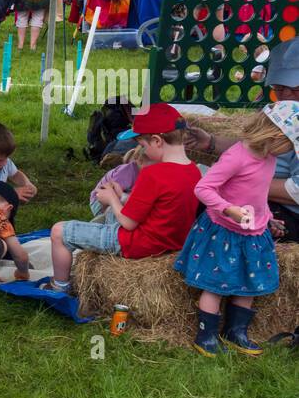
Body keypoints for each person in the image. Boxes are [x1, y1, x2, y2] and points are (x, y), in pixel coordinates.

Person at [174, 104, 299, 356]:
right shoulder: (237, 156)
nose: (289, 152)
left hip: (253, 231)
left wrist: (266, 218)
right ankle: (206, 336)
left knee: (250, 283)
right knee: (215, 285)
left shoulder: (270, 158)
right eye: (290, 145)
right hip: (224, 230)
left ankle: (236, 332)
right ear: (276, 137)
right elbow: (203, 188)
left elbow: (258, 193)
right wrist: (228, 208)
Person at [47, 103, 201, 293]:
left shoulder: (153, 173)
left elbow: (128, 223)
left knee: (59, 232)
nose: (142, 152)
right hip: (170, 243)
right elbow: (161, 206)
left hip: (139, 244)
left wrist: (112, 198)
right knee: (111, 214)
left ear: (157, 141)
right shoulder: (193, 170)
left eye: (142, 145)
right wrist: (122, 197)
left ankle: (59, 286)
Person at [185, 39, 299, 243]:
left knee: (213, 208)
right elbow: (255, 144)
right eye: (280, 89)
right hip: (262, 196)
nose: (286, 95)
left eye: (295, 88)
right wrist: (211, 142)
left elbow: (297, 191)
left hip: (290, 213)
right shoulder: (283, 112)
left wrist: (236, 185)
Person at [89, 143, 148, 221]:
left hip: (115, 199)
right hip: (100, 202)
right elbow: (109, 192)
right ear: (140, 161)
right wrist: (104, 210)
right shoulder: (126, 172)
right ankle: (105, 219)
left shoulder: (141, 172)